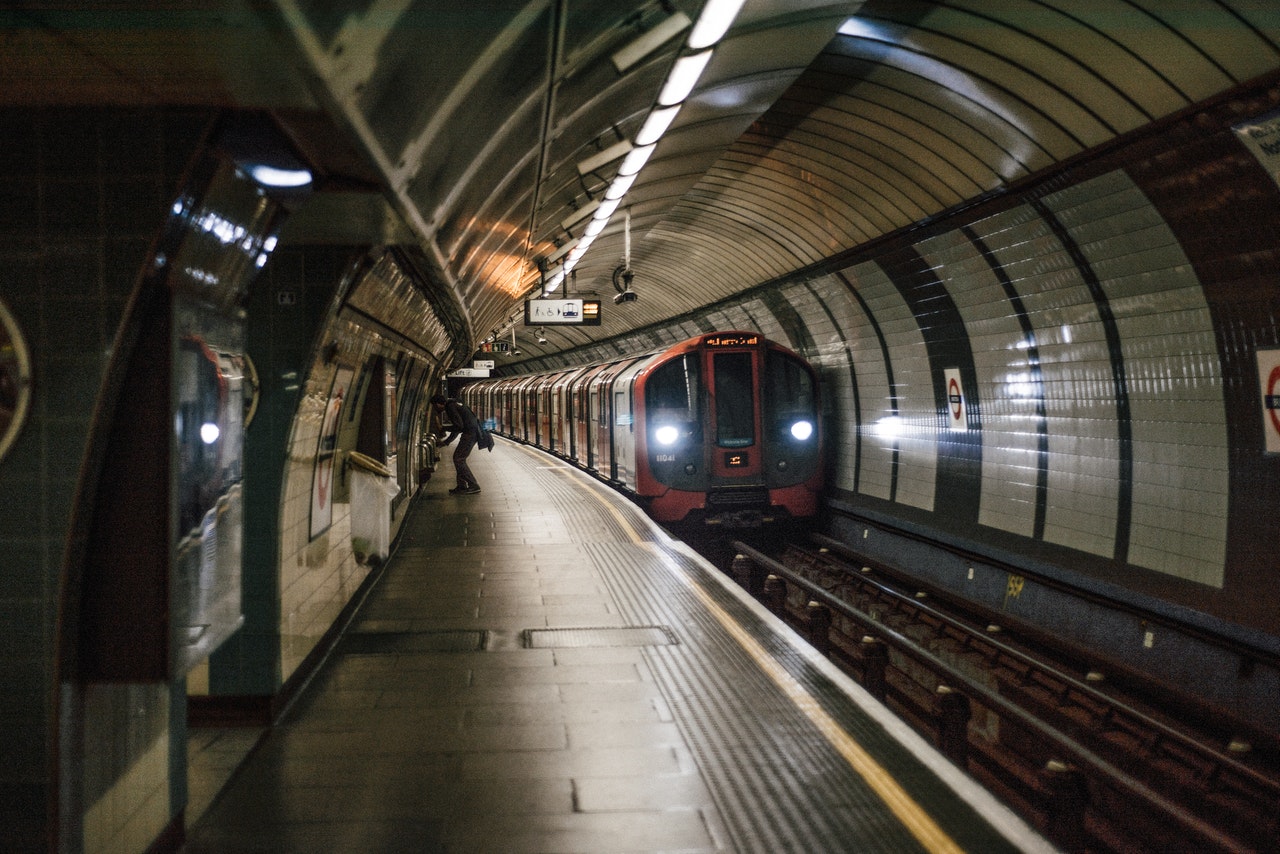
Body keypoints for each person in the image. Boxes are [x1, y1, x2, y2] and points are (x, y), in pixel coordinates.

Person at [430, 393, 492, 494]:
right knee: (458, 458)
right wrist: (447, 442)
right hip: (471, 432)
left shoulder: (450, 407)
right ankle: (461, 486)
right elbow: (458, 427)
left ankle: (473, 485)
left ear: (438, 404)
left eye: (434, 406)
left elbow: (459, 426)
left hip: (470, 434)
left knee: (459, 459)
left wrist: (444, 429)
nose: (435, 408)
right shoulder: (454, 403)